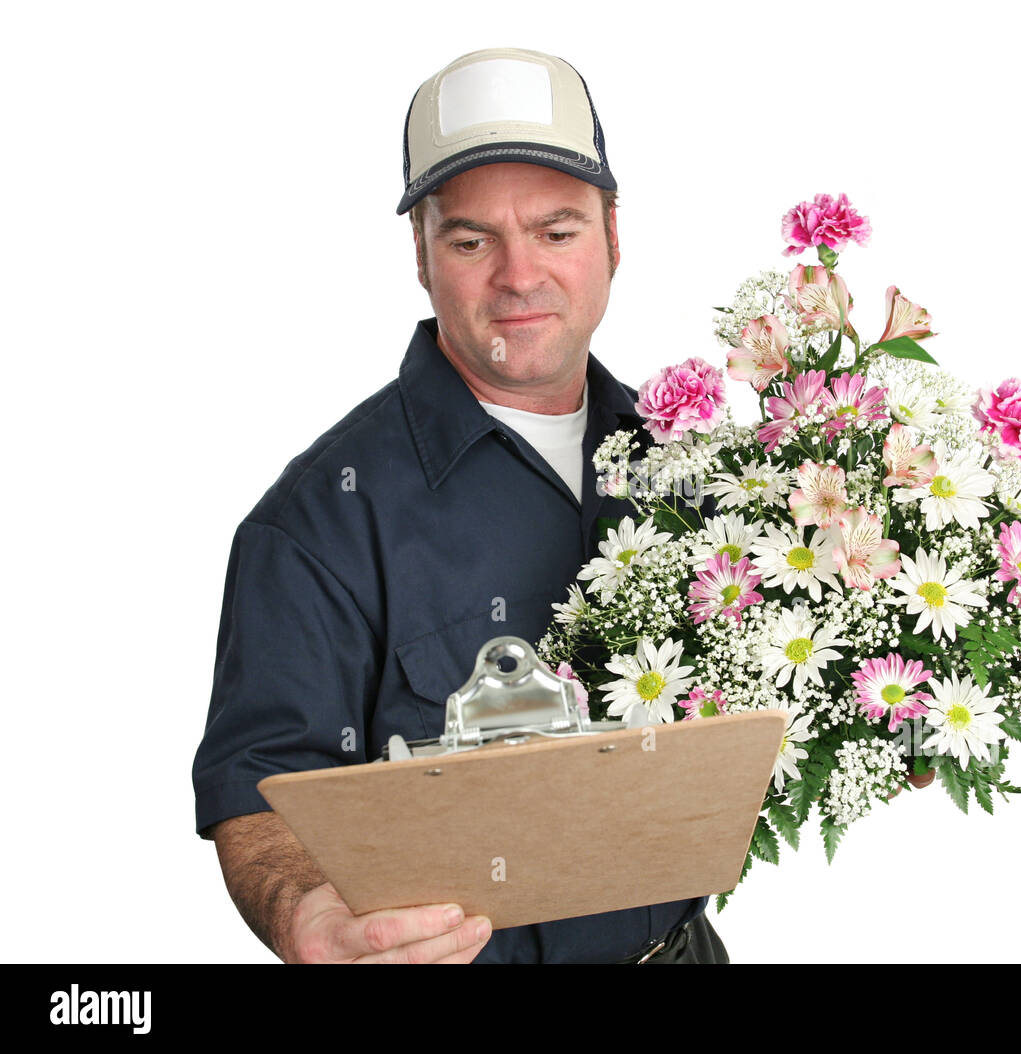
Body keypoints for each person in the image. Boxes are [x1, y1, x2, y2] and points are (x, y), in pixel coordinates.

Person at [191, 47, 731, 964]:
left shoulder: (692, 464)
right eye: (472, 240)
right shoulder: (317, 522)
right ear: (420, 255)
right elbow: (260, 788)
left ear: (613, 234)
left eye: (557, 231)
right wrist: (306, 915)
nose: (519, 276)